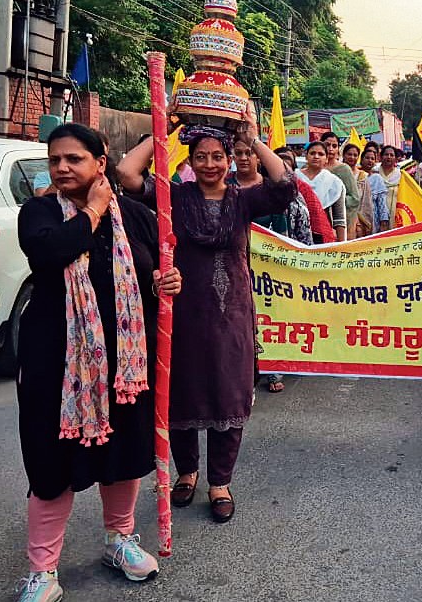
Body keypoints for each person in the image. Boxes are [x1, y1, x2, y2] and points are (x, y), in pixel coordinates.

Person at [13, 124, 182, 601]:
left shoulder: (137, 215)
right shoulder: (40, 212)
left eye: (74, 159)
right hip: (57, 365)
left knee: (124, 455)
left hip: (125, 366)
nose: (63, 168)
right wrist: (91, 210)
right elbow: (51, 253)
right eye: (56, 160)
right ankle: (42, 571)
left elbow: (156, 271)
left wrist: (167, 283)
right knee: (51, 463)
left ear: (100, 162)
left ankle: (120, 540)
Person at [117, 103, 296, 524]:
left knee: (228, 393)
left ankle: (220, 482)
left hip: (231, 314)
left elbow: (285, 184)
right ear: (190, 161)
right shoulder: (173, 198)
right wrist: (167, 128)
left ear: (230, 159)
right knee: (182, 393)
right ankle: (187, 473)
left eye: (218, 156)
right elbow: (126, 175)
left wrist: (251, 139)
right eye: (201, 157)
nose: (211, 164)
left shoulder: (243, 200)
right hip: (183, 314)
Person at [277, 147, 332, 245]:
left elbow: (310, 231)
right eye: (277, 167)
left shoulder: (301, 192)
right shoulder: (258, 191)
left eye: (287, 169)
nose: (316, 157)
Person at [297, 141, 347, 241]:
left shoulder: (334, 182)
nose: (316, 156)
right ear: (306, 157)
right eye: (312, 153)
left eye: (321, 154)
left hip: (323, 236)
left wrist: (342, 247)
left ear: (326, 159)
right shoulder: (295, 178)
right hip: (296, 234)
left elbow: (339, 219)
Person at [322, 132, 360, 240]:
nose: (330, 149)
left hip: (339, 224)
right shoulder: (314, 168)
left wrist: (333, 201)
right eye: (327, 145)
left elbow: (354, 198)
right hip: (317, 221)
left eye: (334, 146)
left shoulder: (344, 169)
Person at [360, 146, 391, 234]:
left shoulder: (377, 179)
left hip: (373, 221)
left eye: (372, 159)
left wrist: (383, 223)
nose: (370, 160)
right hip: (356, 221)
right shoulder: (355, 177)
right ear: (361, 160)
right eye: (367, 158)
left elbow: (382, 203)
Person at [377, 144, 403, 218]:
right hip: (376, 212)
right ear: (381, 157)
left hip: (394, 212)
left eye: (392, 155)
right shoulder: (375, 172)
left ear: (395, 159)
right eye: (386, 154)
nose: (389, 157)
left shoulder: (400, 175)